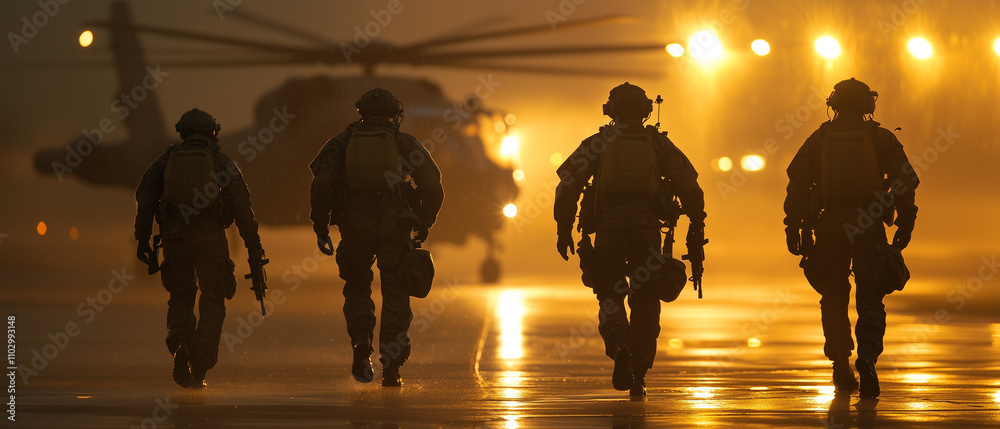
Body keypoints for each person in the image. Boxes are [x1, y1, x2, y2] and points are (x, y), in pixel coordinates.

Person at [553, 82, 706, 397]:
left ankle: (620, 344)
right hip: (647, 231)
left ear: (611, 110)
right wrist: (697, 221)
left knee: (610, 295)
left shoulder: (597, 143)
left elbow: (568, 183)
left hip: (608, 230)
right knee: (646, 300)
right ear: (646, 110)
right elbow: (688, 184)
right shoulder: (658, 143)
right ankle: (638, 371)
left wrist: (564, 228)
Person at [784, 78, 919, 398]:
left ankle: (840, 363)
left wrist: (793, 226)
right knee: (871, 296)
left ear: (833, 103)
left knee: (833, 295)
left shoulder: (818, 139)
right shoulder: (881, 138)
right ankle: (868, 359)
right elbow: (905, 181)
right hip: (869, 226)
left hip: (829, 226)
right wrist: (906, 223)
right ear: (866, 105)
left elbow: (798, 184)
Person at [310, 88, 444, 387]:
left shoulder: (341, 142)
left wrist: (320, 225)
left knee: (357, 286)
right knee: (396, 291)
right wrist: (425, 222)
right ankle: (392, 367)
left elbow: (322, 184)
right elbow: (433, 186)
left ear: (361, 112)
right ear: (392, 113)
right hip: (395, 223)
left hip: (355, 224)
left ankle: (361, 344)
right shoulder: (404, 142)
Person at [134, 108, 264, 389]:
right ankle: (200, 367)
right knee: (213, 299)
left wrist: (142, 239)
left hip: (175, 238)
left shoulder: (165, 162)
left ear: (182, 132)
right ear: (212, 132)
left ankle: (180, 342)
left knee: (181, 296)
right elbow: (242, 205)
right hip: (210, 239)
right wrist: (253, 244)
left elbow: (144, 198)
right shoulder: (221, 161)